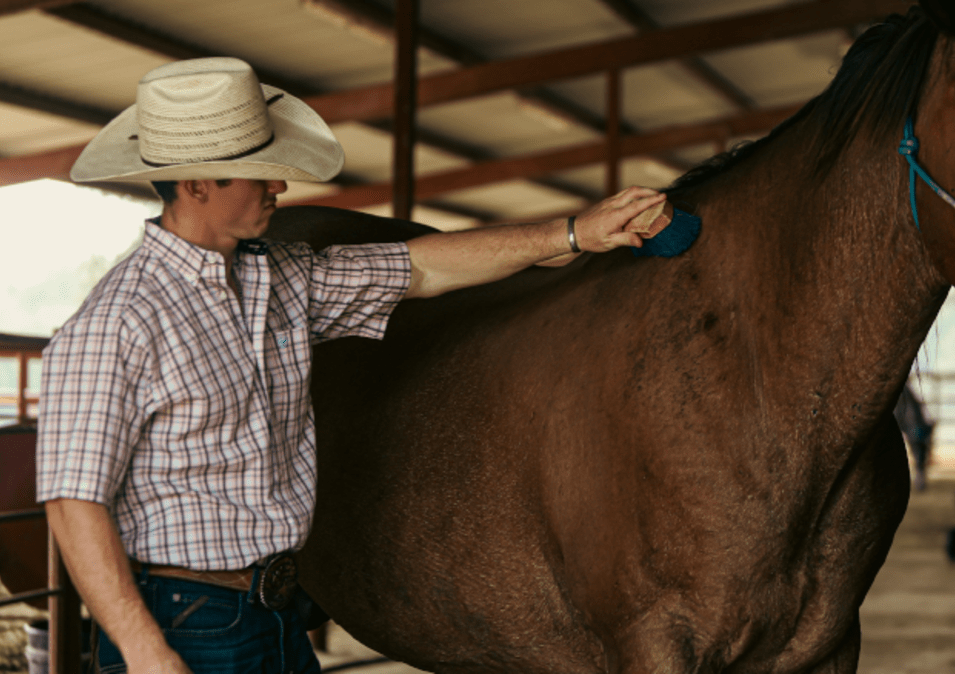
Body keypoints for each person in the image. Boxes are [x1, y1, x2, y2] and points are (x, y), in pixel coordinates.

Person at [35, 57, 667, 674]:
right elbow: (72, 502)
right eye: (258, 173)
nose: (279, 186)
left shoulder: (278, 279)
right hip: (182, 620)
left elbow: (424, 266)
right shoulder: (116, 323)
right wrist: (146, 653)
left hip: (278, 610)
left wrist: (575, 233)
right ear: (198, 184)